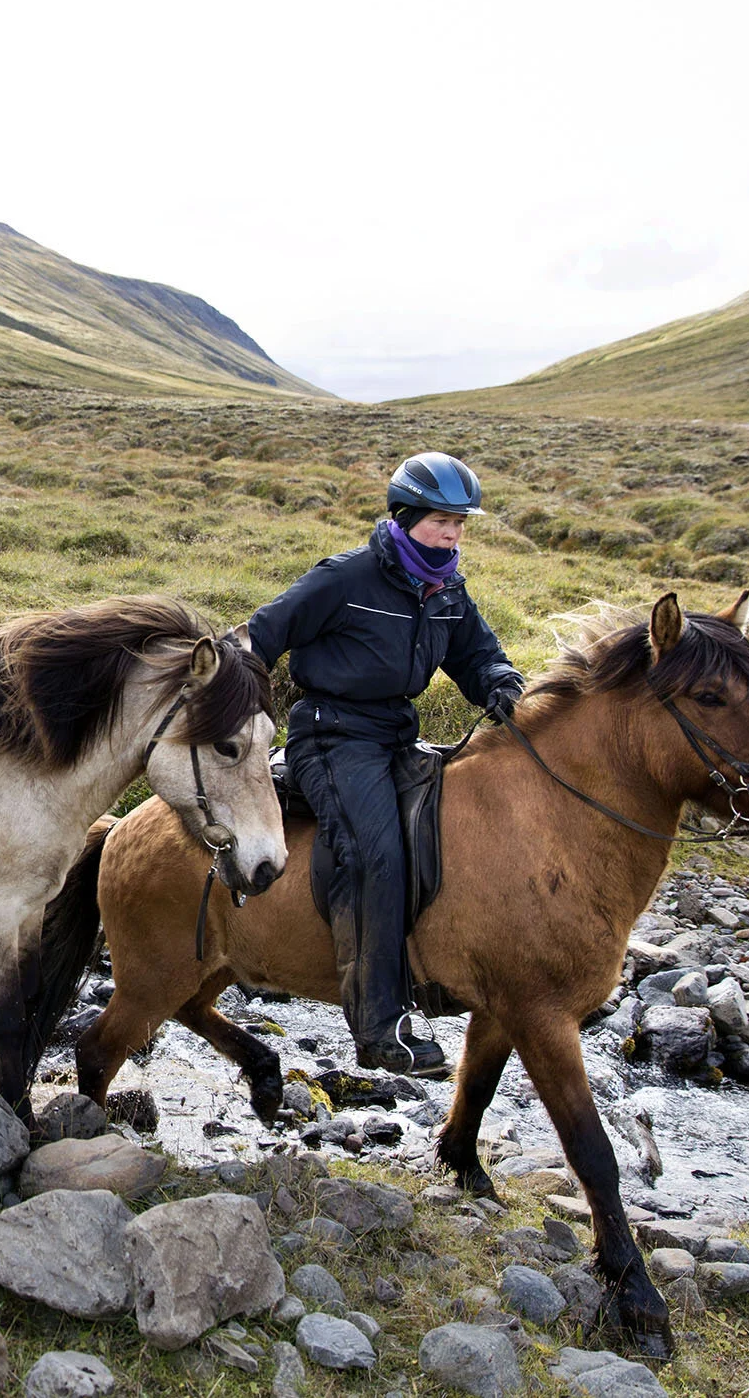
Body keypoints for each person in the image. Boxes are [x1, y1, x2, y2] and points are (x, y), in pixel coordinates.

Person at [246, 451, 527, 1076]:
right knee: (376, 852)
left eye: (461, 521)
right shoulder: (344, 579)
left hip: (396, 736)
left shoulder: (447, 590)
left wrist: (502, 682)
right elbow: (258, 638)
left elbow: (479, 655)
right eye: (441, 519)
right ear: (405, 516)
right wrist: (234, 720)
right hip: (331, 736)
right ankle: (380, 1027)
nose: (454, 532)